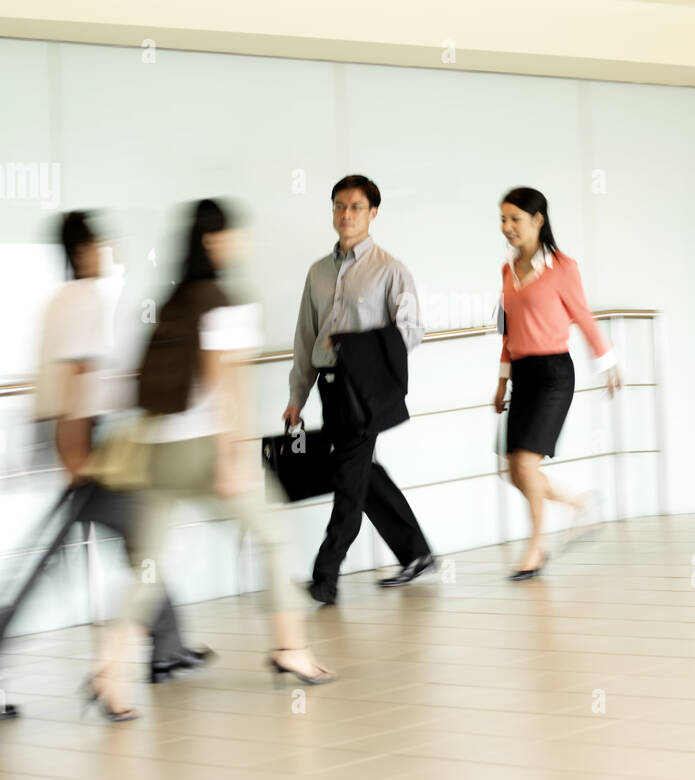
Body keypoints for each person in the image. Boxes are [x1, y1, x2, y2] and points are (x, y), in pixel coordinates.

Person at [88, 200, 333, 722]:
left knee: (149, 566)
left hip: (157, 451)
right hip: (204, 448)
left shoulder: (172, 302)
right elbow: (228, 387)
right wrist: (234, 456)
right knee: (270, 536)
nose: (239, 242)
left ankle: (110, 670)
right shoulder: (226, 302)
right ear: (215, 241)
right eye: (234, 234)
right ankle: (290, 648)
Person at [33, 210, 211, 686]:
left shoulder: (61, 299)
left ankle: (168, 646)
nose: (107, 250)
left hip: (75, 438)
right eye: (100, 243)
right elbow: (77, 379)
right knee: (137, 544)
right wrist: (77, 459)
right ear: (82, 251)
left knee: (135, 547)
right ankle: (157, 651)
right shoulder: (86, 299)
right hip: (86, 442)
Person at [284, 174, 435, 606]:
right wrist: (297, 398)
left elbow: (410, 331)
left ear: (373, 213)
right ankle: (416, 552)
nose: (345, 215)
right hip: (331, 389)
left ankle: (325, 575)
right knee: (360, 473)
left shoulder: (390, 269)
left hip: (366, 389)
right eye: (338, 206)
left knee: (350, 479)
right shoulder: (317, 272)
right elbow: (305, 339)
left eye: (355, 207)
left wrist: (354, 346)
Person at [493, 187, 621, 579]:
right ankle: (581, 503)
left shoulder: (562, 267)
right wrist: (501, 382)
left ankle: (537, 548)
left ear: (538, 220)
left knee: (527, 465)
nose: (508, 227)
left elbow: (583, 316)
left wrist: (607, 362)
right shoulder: (507, 271)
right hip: (523, 375)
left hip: (553, 375)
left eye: (515, 218)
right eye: (503, 219)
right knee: (513, 470)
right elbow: (507, 333)